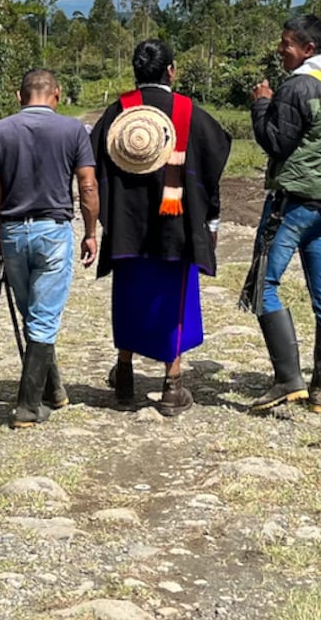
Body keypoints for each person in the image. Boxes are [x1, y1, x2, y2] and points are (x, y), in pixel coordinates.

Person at [92, 39, 232, 418]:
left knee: (129, 297)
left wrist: (105, 218)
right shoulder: (191, 114)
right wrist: (211, 218)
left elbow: (96, 168)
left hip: (127, 228)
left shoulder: (117, 112)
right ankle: (172, 385)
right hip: (176, 226)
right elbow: (213, 162)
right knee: (174, 301)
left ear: (136, 72)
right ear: (170, 70)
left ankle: (124, 375)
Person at [242, 13, 321, 413]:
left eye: (287, 43)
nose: (280, 49)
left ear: (308, 49)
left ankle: (288, 378)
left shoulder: (295, 87)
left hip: (292, 204)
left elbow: (276, 142)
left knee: (262, 285)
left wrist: (261, 104)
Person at [0, 69, 100, 429]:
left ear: (20, 96)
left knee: (33, 314)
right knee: (43, 317)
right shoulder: (73, 131)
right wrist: (91, 231)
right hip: (53, 230)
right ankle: (27, 406)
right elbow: (88, 185)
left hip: (14, 230)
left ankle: (54, 392)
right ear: (58, 94)